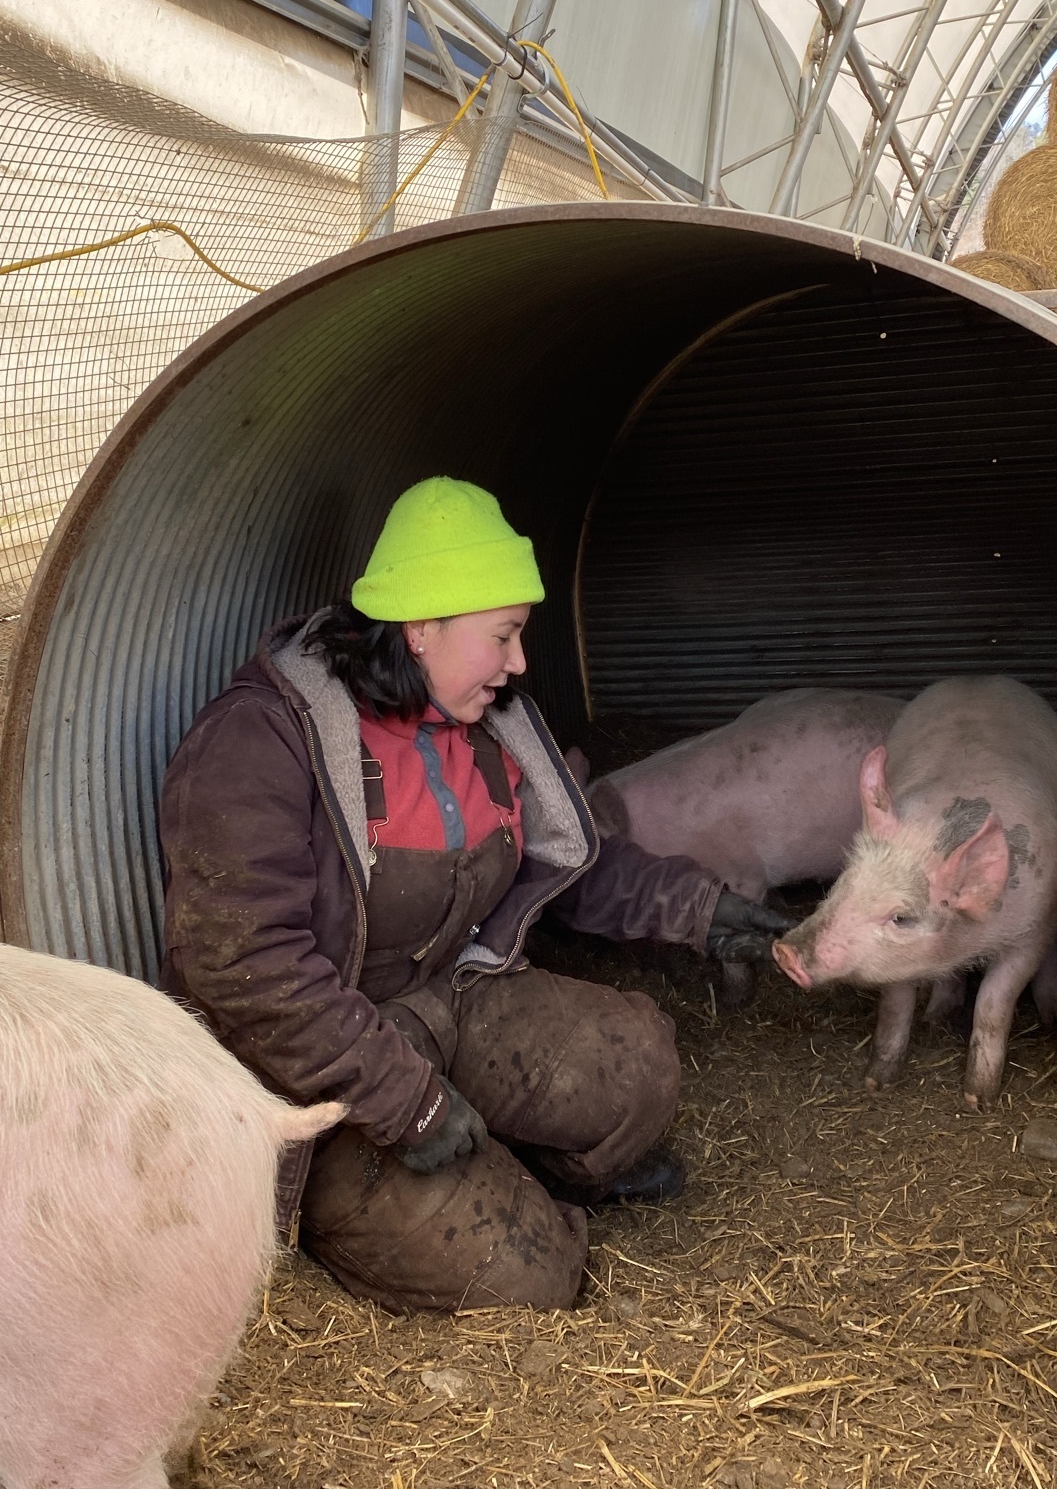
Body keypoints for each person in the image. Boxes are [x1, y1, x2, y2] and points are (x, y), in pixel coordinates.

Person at [158, 478, 786, 1312]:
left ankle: (497, 1168)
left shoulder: (488, 719)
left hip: (451, 996)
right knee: (525, 1274)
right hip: (323, 1068)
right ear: (420, 628)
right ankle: (368, 1202)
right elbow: (241, 965)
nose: (521, 663)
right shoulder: (263, 740)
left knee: (640, 1067)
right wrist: (405, 1100)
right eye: (505, 635)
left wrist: (699, 910)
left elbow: (570, 861)